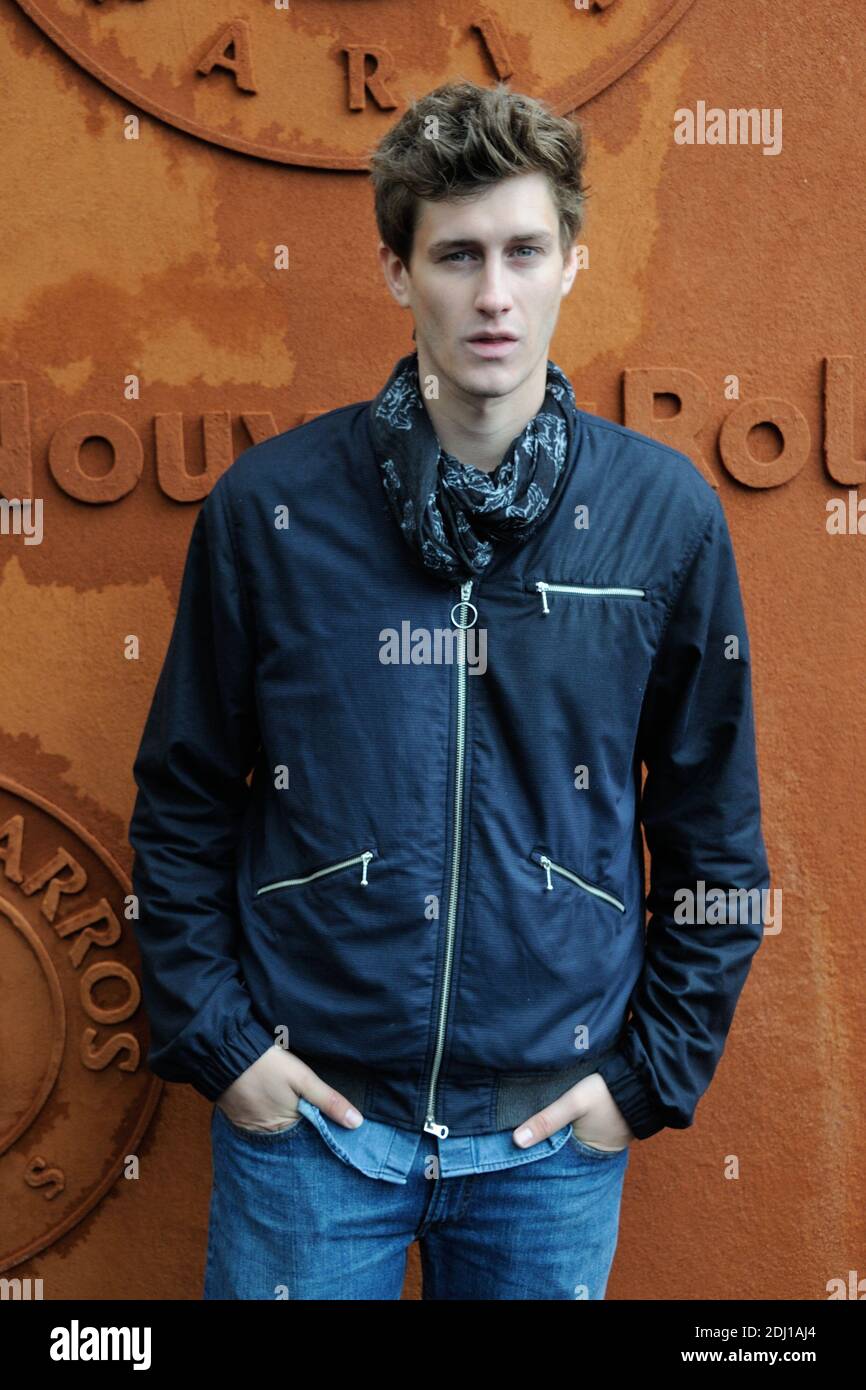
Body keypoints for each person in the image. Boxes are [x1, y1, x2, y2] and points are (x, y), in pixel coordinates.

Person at [128, 80, 771, 1301]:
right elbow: (182, 799)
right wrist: (222, 1049)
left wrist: (641, 1085)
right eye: (455, 254)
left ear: (571, 263)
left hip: (545, 1146)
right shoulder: (273, 511)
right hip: (311, 1134)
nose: (491, 294)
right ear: (394, 270)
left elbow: (712, 835)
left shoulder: (660, 518)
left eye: (525, 251)